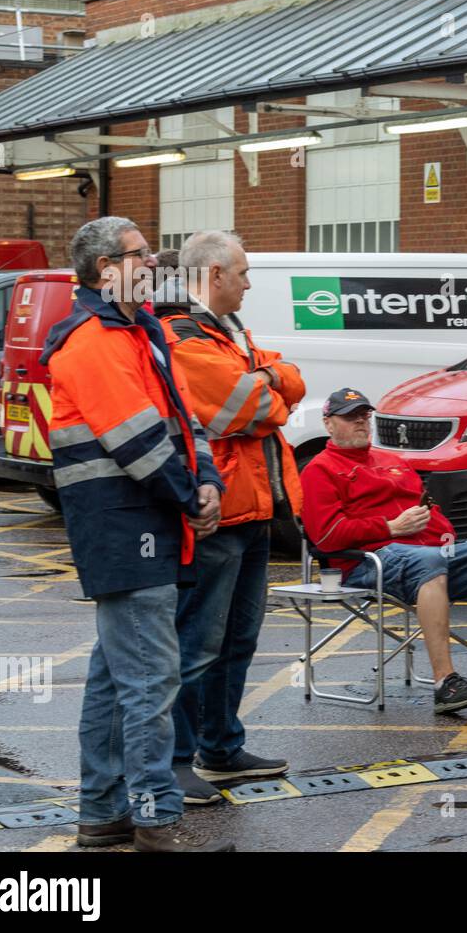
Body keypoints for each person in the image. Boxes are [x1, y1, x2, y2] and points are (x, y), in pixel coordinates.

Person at [41, 216, 232, 852]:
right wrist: (190, 497)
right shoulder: (94, 339)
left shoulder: (138, 330)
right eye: (141, 254)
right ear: (106, 270)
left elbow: (184, 418)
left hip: (141, 520)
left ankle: (102, 813)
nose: (152, 262)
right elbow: (137, 441)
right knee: (151, 676)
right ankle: (154, 819)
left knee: (115, 677)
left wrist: (206, 483)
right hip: (126, 522)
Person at [155, 231, 305, 805]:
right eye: (242, 273)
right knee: (198, 642)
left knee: (238, 638)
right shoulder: (184, 336)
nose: (248, 283)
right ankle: (176, 760)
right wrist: (267, 383)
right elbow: (255, 405)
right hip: (218, 513)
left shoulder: (226, 333)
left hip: (254, 508)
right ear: (214, 274)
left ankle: (221, 745)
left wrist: (265, 380)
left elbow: (287, 380)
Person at [300, 388, 467, 712]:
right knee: (430, 560)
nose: (361, 422)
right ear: (328, 423)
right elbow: (326, 537)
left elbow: (433, 512)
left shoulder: (393, 462)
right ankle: (445, 682)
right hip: (371, 562)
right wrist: (391, 527)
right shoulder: (319, 469)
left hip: (428, 552)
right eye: (350, 417)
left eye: (364, 416)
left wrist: (444, 537)